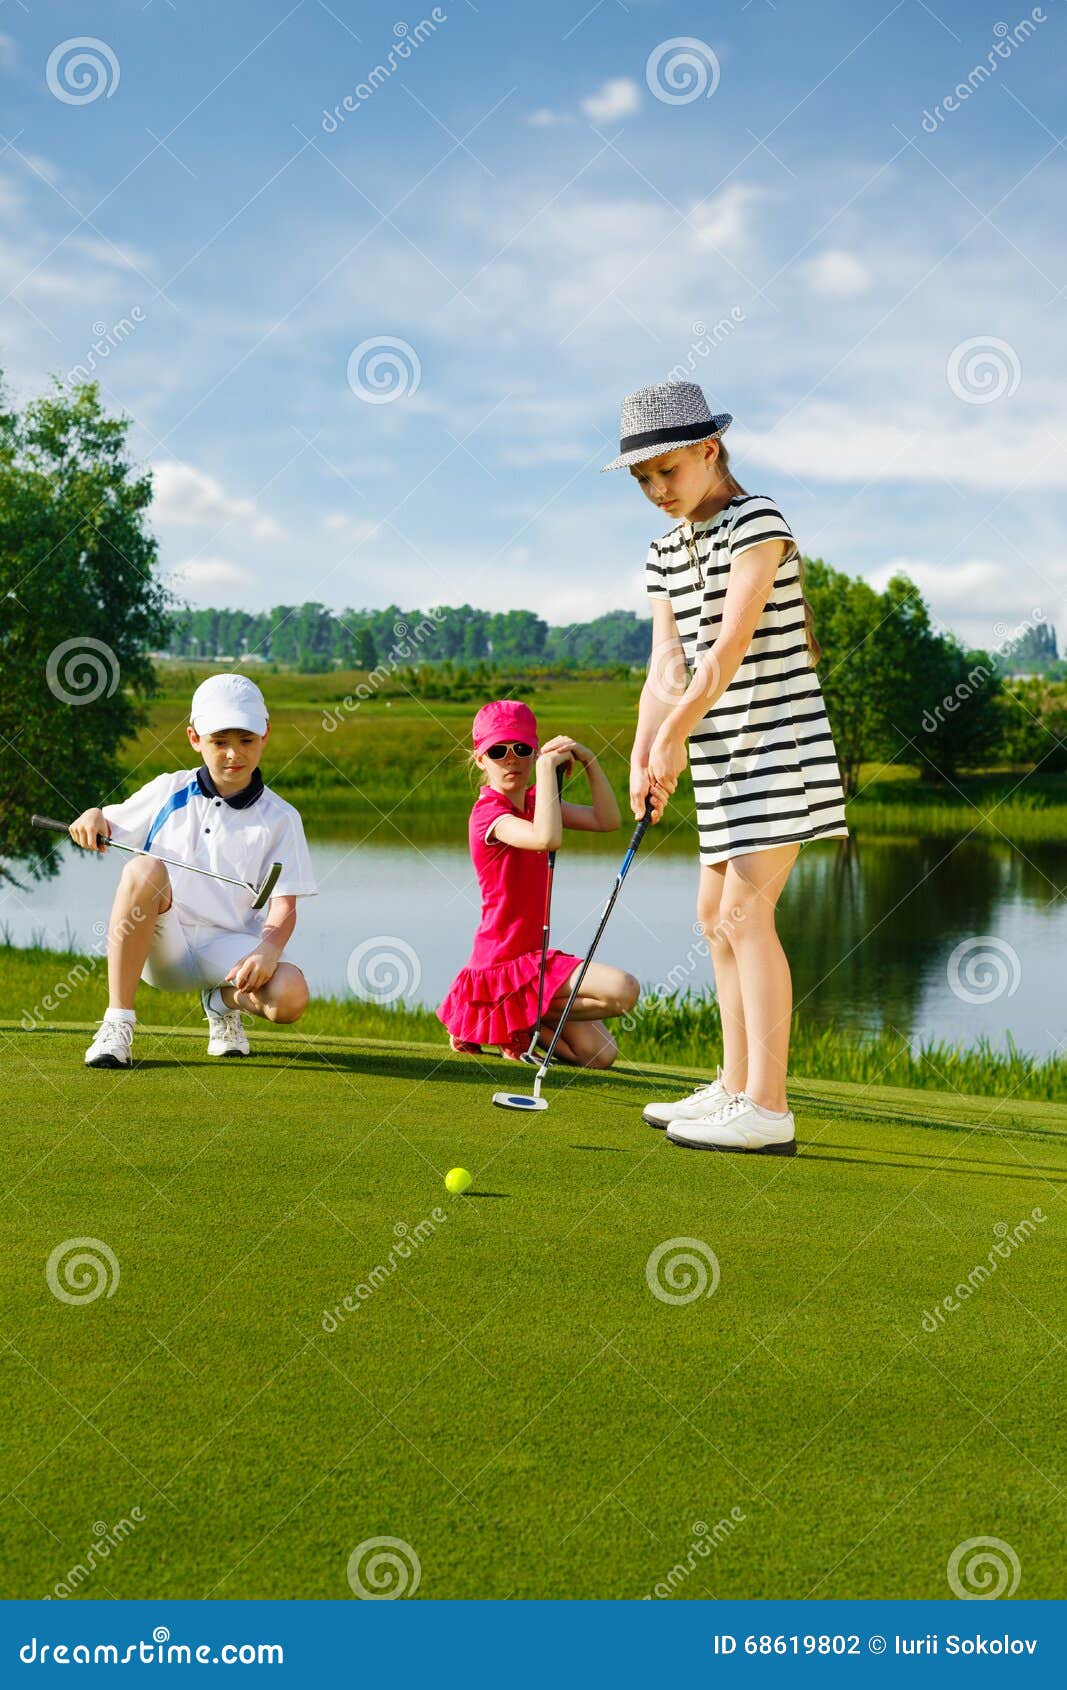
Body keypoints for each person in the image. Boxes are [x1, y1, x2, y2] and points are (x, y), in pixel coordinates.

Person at [604, 380, 849, 1153]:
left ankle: (768, 1108)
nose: (654, 490)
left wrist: (674, 735)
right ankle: (734, 1084)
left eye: (666, 471)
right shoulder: (663, 551)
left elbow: (725, 651)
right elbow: (665, 666)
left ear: (709, 451)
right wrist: (645, 755)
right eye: (642, 478)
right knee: (712, 920)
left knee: (747, 917)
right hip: (719, 752)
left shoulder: (758, 522)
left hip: (777, 744)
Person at [71, 673, 317, 1068]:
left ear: (265, 735)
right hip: (163, 949)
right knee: (143, 869)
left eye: (246, 741)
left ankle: (221, 1003)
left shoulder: (283, 819)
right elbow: (105, 822)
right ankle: (117, 1023)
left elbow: (284, 906)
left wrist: (269, 950)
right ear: (194, 738)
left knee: (290, 996)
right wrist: (92, 814)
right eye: (220, 742)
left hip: (231, 952)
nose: (234, 755)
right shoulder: (170, 790)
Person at [437, 699, 639, 1068]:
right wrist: (546, 770)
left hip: (533, 960)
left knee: (599, 1055)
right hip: (500, 963)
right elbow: (546, 839)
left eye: (522, 749)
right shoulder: (488, 817)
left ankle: (505, 1027)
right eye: (498, 750)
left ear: (534, 750)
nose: (511, 759)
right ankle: (497, 1020)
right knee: (623, 990)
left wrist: (589, 761)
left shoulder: (535, 802)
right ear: (480, 759)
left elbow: (606, 820)